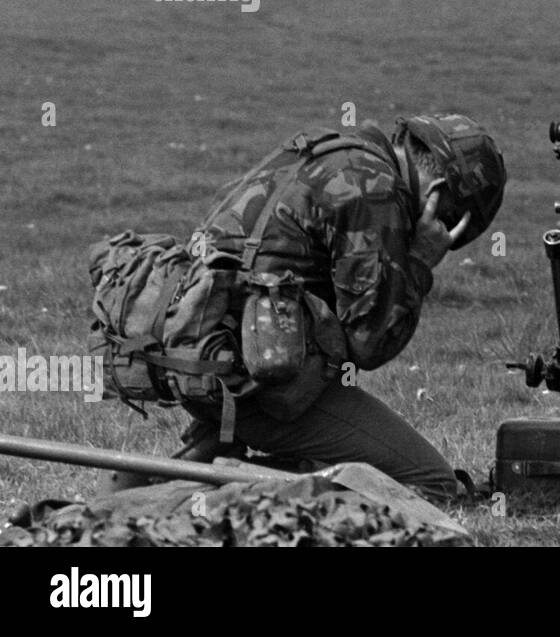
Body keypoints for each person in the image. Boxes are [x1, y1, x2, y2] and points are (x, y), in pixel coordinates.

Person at [114, 113, 506, 503]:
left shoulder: (331, 152)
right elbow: (370, 345)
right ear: (438, 196)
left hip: (206, 361)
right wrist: (419, 261)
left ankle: (188, 466)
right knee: (430, 483)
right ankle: (208, 489)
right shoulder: (375, 188)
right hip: (254, 382)